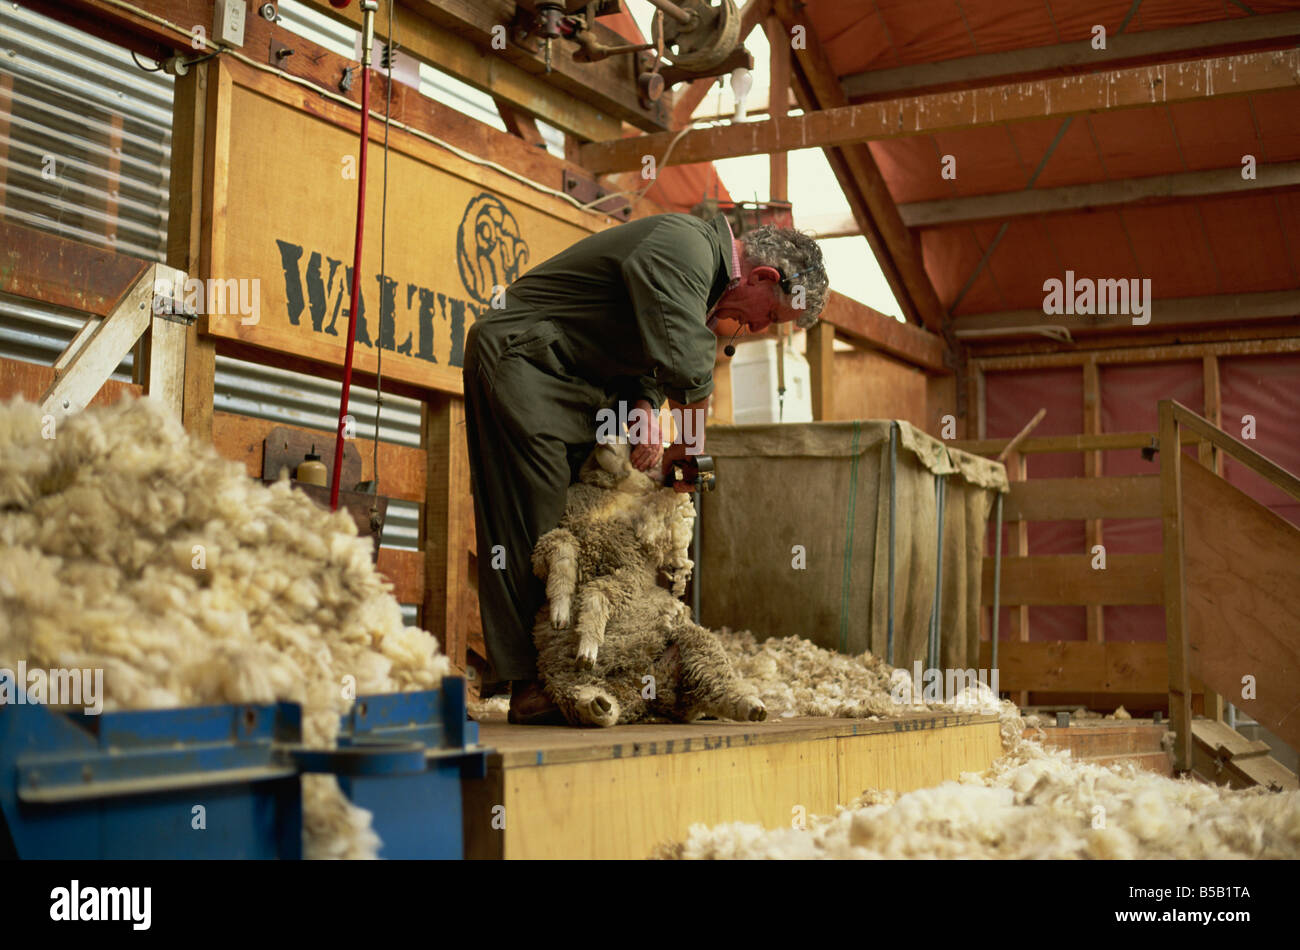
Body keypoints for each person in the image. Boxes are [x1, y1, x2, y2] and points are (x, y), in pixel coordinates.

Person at [462, 212, 828, 724]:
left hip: (578, 380)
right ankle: (533, 681)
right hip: (528, 360)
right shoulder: (687, 246)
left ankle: (584, 670)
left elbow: (647, 338)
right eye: (769, 318)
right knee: (537, 515)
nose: (758, 328)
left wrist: (642, 399)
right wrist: (689, 450)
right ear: (764, 278)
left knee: (581, 520)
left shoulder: (703, 280)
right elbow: (688, 355)